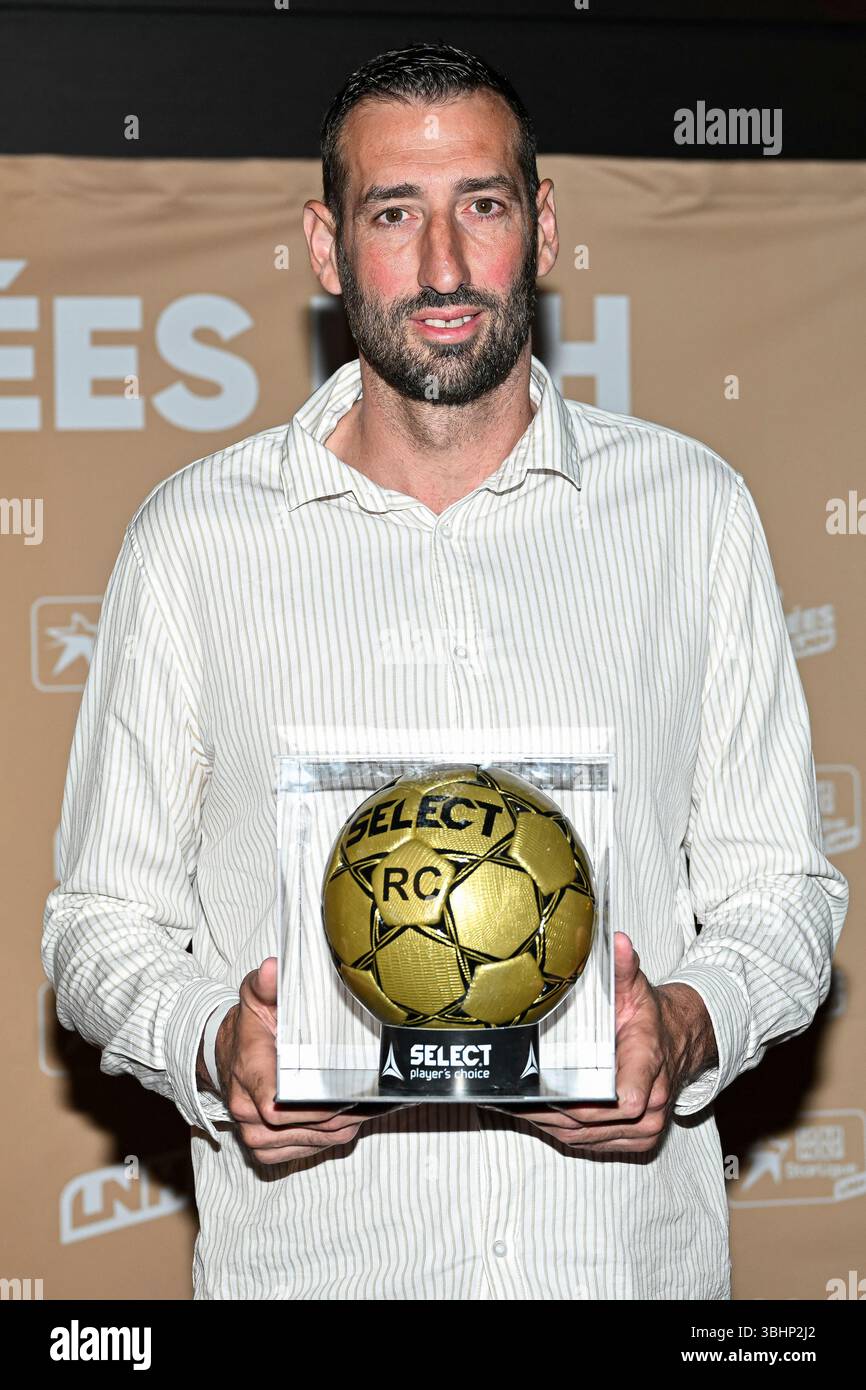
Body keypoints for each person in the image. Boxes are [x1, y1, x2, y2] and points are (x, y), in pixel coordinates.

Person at [42, 41, 848, 1300]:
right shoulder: (195, 538)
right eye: (391, 213)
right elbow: (99, 922)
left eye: (481, 204)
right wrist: (211, 1045)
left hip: (618, 1272)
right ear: (324, 245)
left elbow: (783, 897)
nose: (441, 268)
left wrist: (687, 1027)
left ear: (542, 230)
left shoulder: (690, 511)